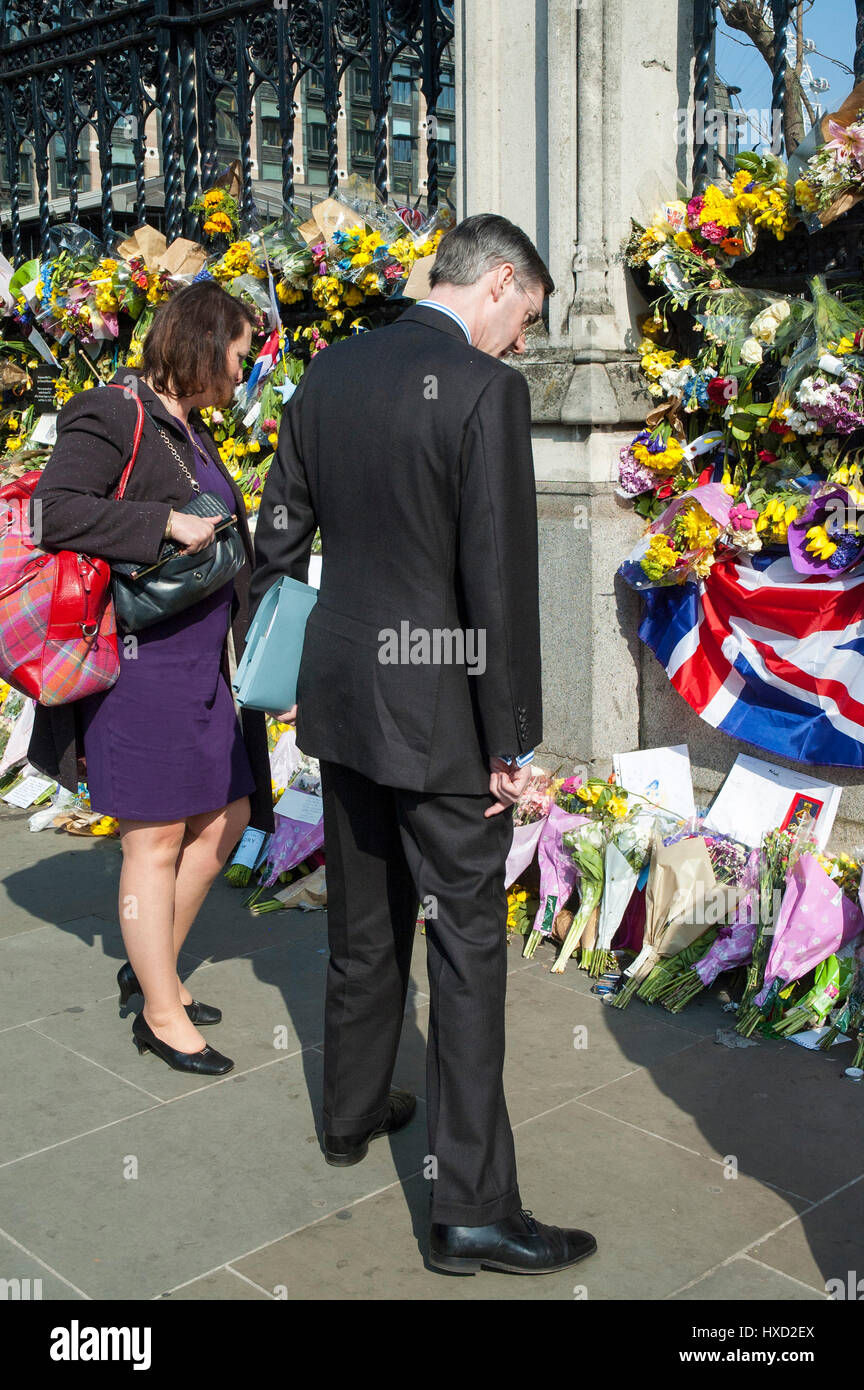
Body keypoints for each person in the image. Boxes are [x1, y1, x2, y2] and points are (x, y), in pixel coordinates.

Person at [250, 214, 598, 1275]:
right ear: (497, 284)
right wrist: (514, 740)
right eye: (524, 320)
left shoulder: (331, 372)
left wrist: (322, 657)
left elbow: (277, 541)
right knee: (464, 948)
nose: (519, 346)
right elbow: (496, 579)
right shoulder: (486, 394)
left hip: (343, 702)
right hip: (444, 716)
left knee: (363, 919)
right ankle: (472, 1206)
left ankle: (351, 1112)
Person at [27, 281, 275, 1076]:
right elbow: (53, 512)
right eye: (238, 356)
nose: (242, 375)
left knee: (228, 818)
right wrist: (162, 521)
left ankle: (152, 966)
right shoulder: (112, 411)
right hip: (141, 670)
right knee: (156, 839)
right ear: (202, 344)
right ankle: (161, 1017)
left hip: (200, 669)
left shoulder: (188, 428)